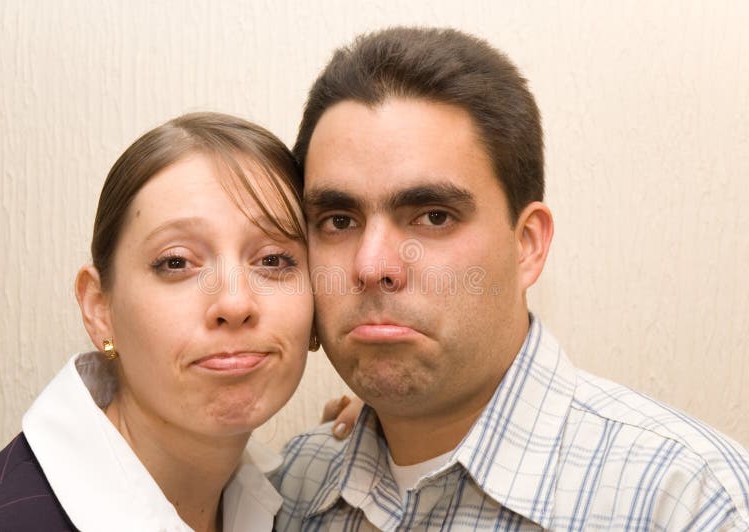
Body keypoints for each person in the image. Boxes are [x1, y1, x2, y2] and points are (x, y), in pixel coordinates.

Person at [272, 27, 749, 531]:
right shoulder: (293, 485)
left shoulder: (688, 502)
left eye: (434, 216)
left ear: (527, 245)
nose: (372, 266)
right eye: (339, 221)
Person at [0, 112, 337, 531]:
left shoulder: (287, 501)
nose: (235, 302)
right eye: (176, 262)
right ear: (99, 308)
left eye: (273, 261)